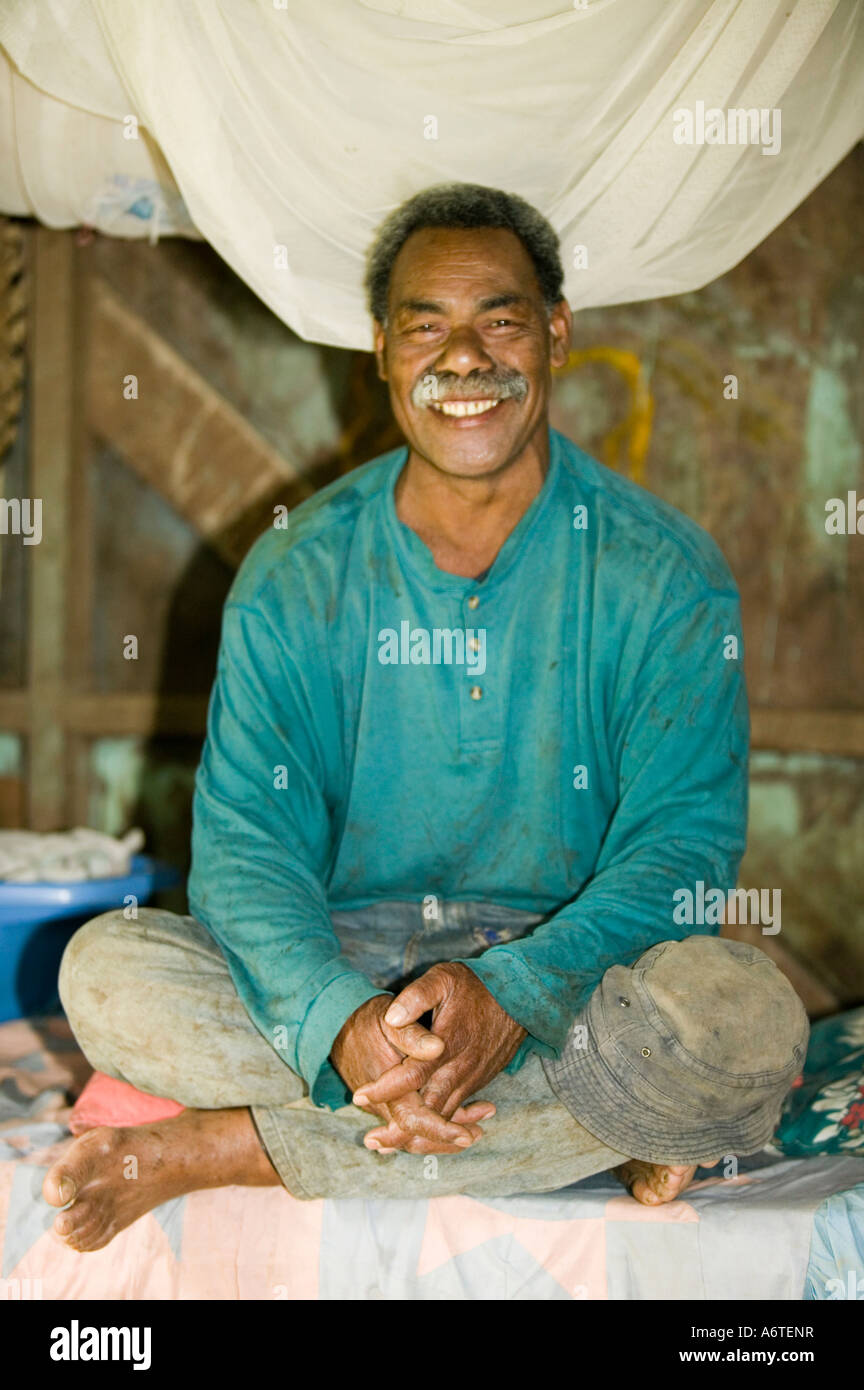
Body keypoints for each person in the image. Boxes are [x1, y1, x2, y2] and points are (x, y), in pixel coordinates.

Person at [44, 183, 807, 1253]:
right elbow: (246, 852)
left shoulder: (662, 574)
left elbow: (678, 853)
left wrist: (516, 992)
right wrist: (336, 1020)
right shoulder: (297, 572)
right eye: (425, 326)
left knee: (746, 1017)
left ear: (555, 334)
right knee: (105, 968)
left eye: (499, 319)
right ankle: (597, 1123)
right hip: (348, 960)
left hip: (575, 979)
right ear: (382, 352)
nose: (464, 358)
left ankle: (231, 1147)